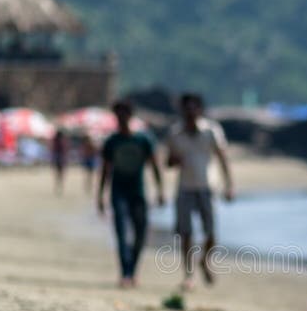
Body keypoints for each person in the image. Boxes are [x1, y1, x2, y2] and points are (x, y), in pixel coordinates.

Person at [167, 93, 234, 290]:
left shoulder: (211, 131)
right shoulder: (175, 133)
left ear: (199, 110)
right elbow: (168, 161)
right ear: (182, 110)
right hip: (185, 188)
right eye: (186, 108)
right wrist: (174, 161)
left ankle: (205, 260)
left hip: (208, 187)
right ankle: (189, 275)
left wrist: (230, 184)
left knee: (211, 233)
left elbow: (223, 157)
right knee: (185, 234)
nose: (189, 112)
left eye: (193, 108)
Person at [97, 100, 164, 288]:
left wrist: (160, 190)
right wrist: (100, 196)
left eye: (124, 114)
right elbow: (105, 170)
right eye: (117, 115)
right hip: (118, 193)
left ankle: (133, 270)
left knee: (141, 234)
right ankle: (125, 273)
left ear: (130, 115)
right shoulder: (112, 142)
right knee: (121, 233)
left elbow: (154, 165)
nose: (121, 118)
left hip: (138, 193)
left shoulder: (144, 140)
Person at [51, 130, 68, 194]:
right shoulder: (62, 141)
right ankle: (60, 186)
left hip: (57, 158)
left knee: (57, 174)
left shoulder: (55, 141)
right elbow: (64, 150)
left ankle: (57, 186)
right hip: (60, 158)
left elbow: (53, 150)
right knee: (61, 174)